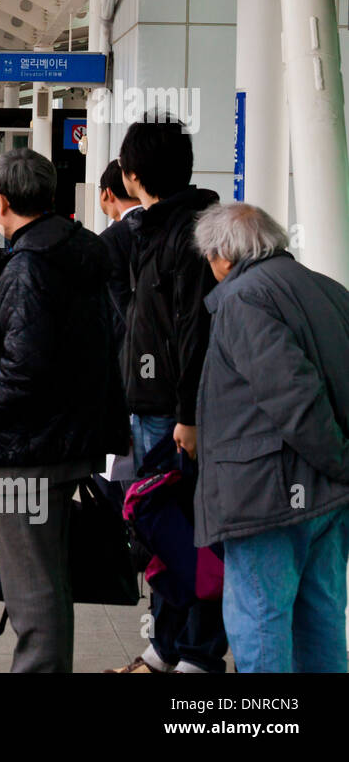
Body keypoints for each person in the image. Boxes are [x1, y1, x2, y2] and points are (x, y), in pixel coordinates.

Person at [0, 149, 128, 672]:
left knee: (31, 592)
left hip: (24, 451)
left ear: (0, 202)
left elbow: (23, 368)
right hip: (64, 442)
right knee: (48, 583)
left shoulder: (29, 264)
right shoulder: (81, 253)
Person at [192, 203, 349, 672]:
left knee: (260, 620)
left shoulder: (244, 298)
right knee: (322, 619)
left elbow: (293, 397)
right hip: (326, 495)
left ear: (224, 255)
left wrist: (340, 460)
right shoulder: (328, 289)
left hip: (267, 495)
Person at [108, 117, 226, 675]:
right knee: (162, 532)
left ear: (133, 174)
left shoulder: (189, 234)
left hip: (175, 417)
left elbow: (194, 331)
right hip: (151, 409)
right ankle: (167, 646)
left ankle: (196, 654)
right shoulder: (156, 229)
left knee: (190, 534)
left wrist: (188, 415)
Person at [97, 159, 143, 347]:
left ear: (107, 193)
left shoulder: (110, 239)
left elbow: (119, 299)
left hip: (128, 344)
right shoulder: (160, 223)